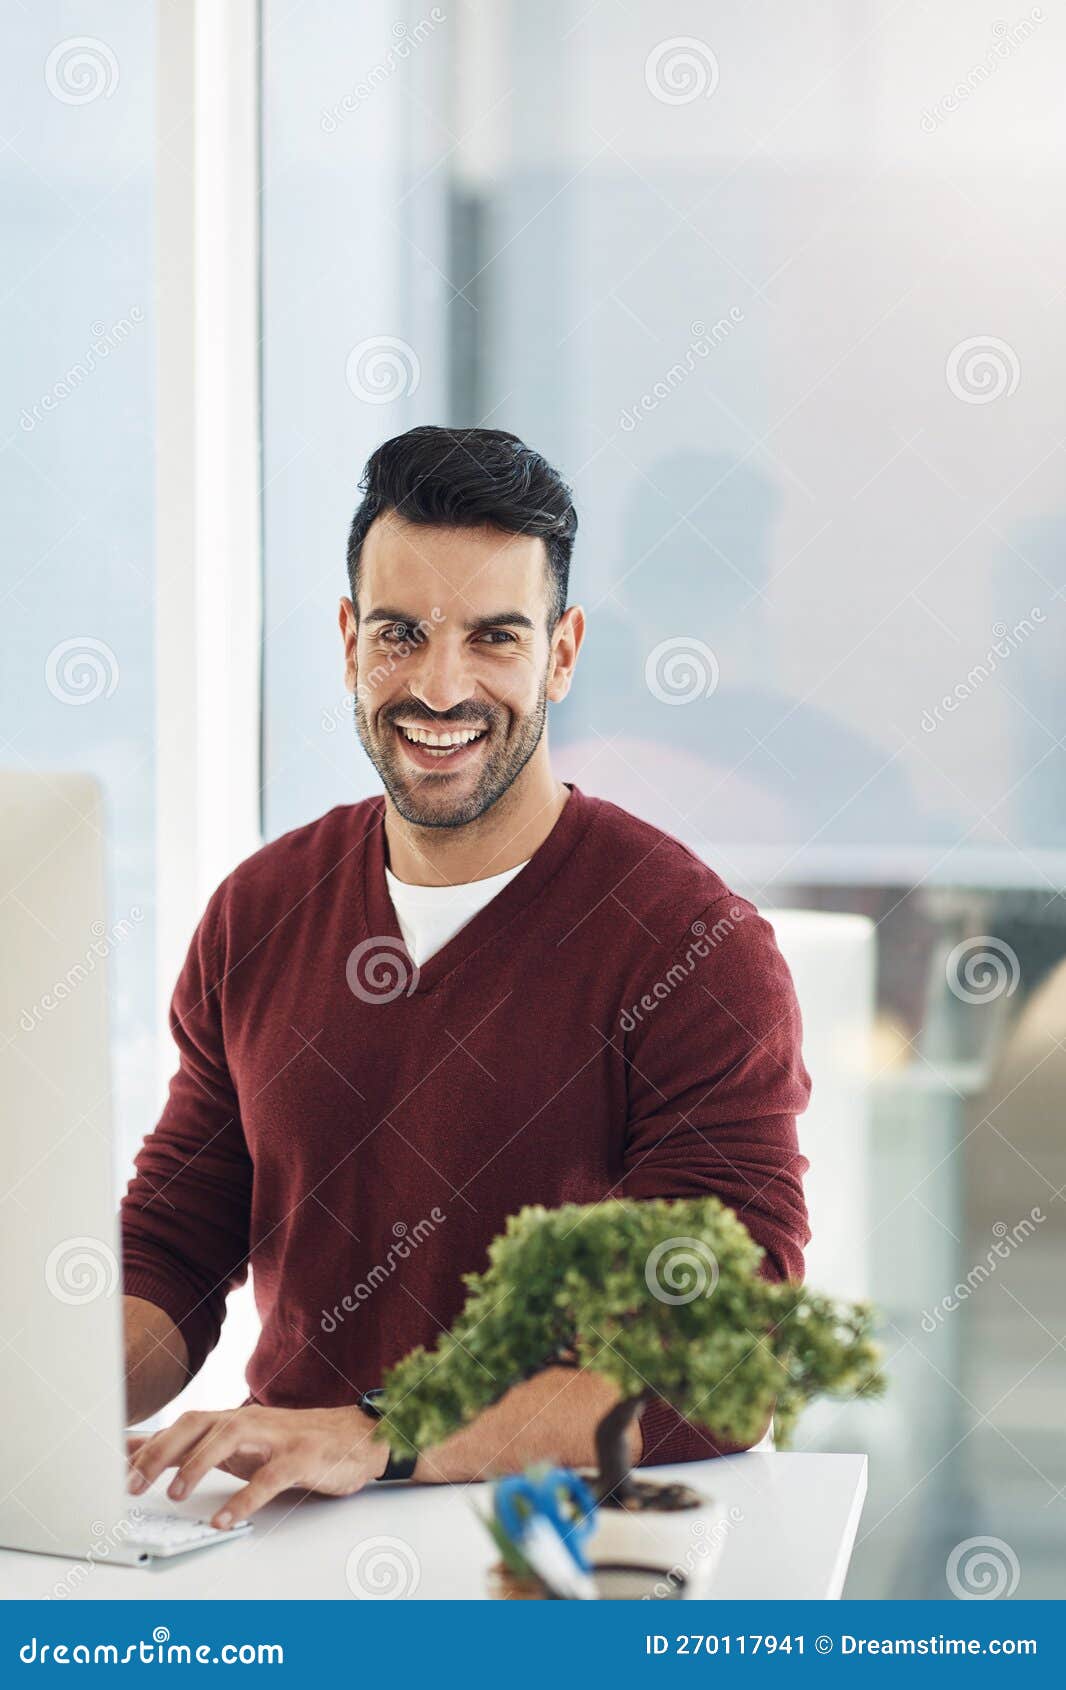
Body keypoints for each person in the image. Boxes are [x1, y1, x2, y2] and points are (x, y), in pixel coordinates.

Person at [123, 425, 811, 1532]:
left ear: (564, 651)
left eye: (494, 637)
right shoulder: (259, 911)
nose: (440, 686)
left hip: (561, 1557)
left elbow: (716, 1359)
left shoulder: (693, 947)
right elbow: (172, 1246)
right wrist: (48, 1400)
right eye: (401, 633)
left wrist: (378, 1433)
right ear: (349, 641)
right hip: (279, 1542)